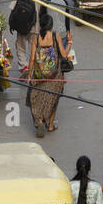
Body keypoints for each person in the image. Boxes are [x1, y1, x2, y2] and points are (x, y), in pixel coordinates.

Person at [28, 9, 71, 138]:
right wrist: (69, 42)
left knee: (36, 98)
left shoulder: (36, 38)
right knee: (53, 99)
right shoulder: (55, 36)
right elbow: (63, 55)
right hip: (55, 75)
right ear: (51, 26)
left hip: (39, 74)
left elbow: (32, 59)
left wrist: (30, 75)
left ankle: (40, 121)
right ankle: (50, 125)